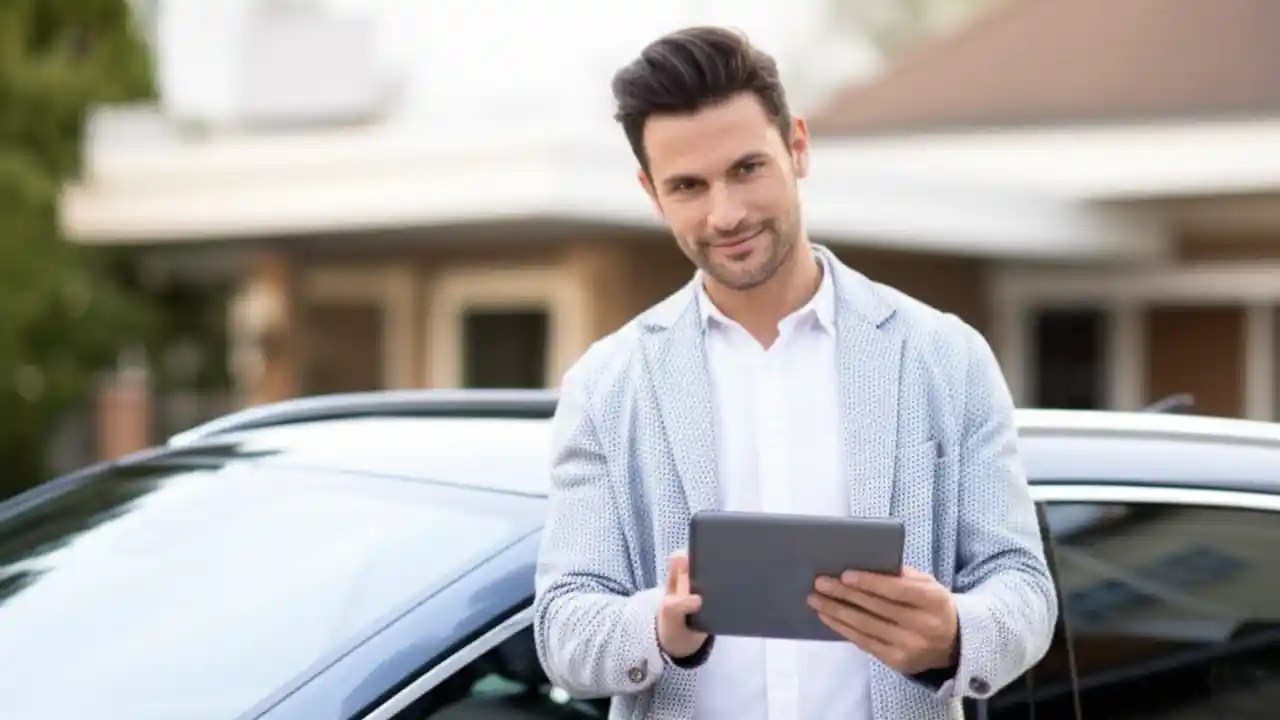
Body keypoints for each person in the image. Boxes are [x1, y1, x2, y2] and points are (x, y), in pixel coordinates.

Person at [532, 25, 1057, 720]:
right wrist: (658, 628)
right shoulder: (608, 385)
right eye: (688, 186)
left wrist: (954, 634)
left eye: (747, 169)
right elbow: (563, 627)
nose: (727, 214)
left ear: (798, 147)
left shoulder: (944, 356)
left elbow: (1022, 588)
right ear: (651, 193)